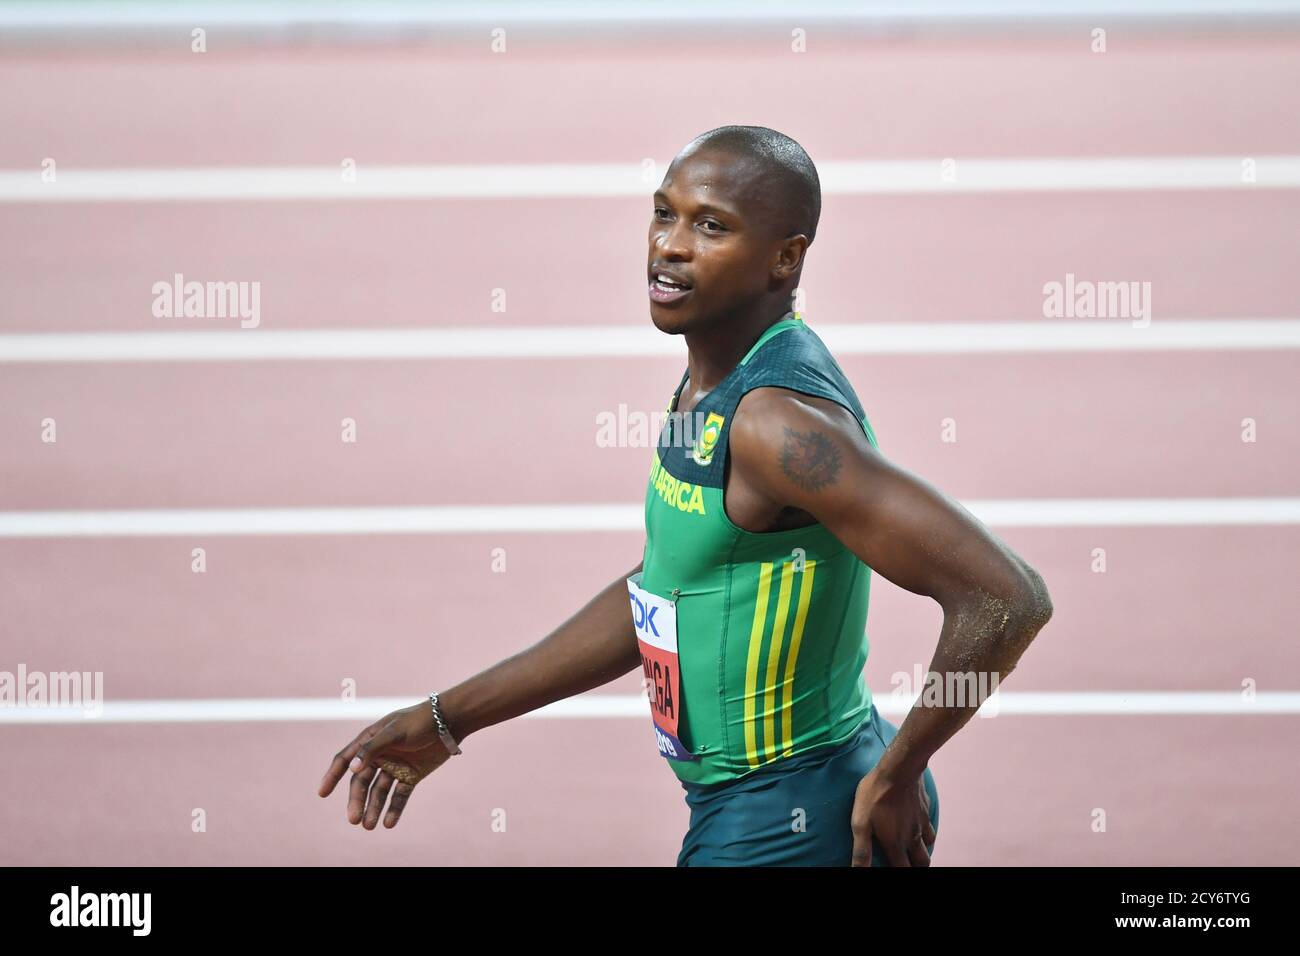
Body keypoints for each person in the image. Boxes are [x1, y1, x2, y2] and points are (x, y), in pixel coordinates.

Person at [318, 126, 1054, 867]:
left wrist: (896, 777)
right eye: (664, 213)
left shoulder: (776, 425)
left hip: (786, 819)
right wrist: (450, 720)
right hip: (775, 797)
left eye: (711, 226)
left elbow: (1008, 598)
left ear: (785, 258)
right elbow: (668, 593)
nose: (669, 245)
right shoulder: (708, 384)